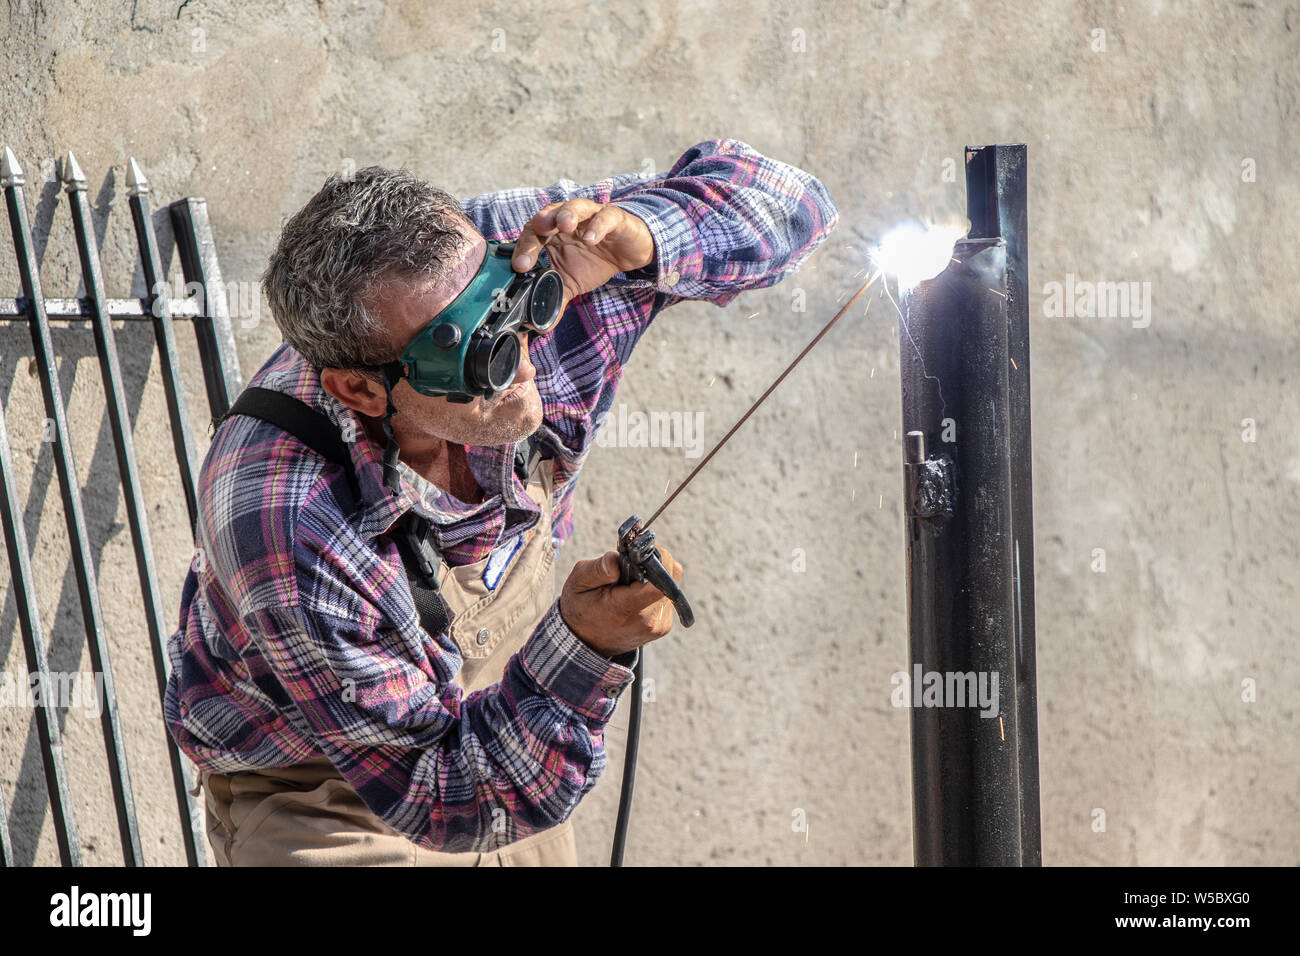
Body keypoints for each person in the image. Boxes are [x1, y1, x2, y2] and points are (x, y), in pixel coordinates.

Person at [163, 138, 839, 866]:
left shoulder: (513, 250)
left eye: (514, 311)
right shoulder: (289, 521)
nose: (521, 361)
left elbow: (794, 198)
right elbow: (439, 791)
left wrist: (646, 238)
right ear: (361, 389)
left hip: (508, 715)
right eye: (471, 356)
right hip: (337, 786)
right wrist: (587, 646)